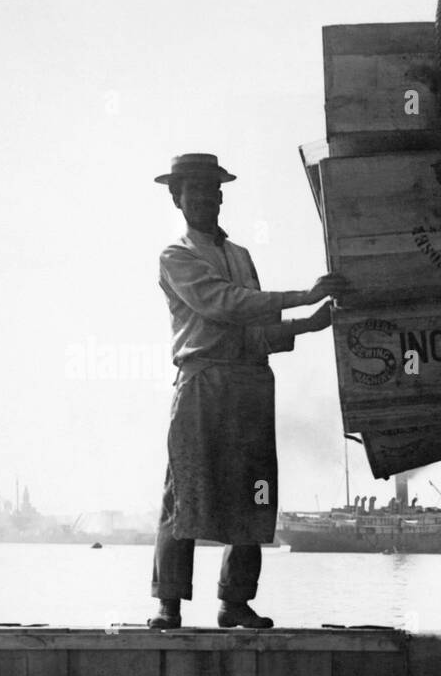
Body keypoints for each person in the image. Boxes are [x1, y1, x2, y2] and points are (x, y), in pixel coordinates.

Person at [148, 153, 349, 629]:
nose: (200, 199)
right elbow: (224, 305)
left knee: (254, 494)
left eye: (208, 190)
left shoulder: (241, 256)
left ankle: (235, 602)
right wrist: (304, 295)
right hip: (203, 381)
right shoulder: (176, 255)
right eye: (190, 191)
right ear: (177, 200)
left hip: (250, 383)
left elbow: (257, 330)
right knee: (185, 492)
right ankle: (169, 603)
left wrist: (310, 324)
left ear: (220, 196)